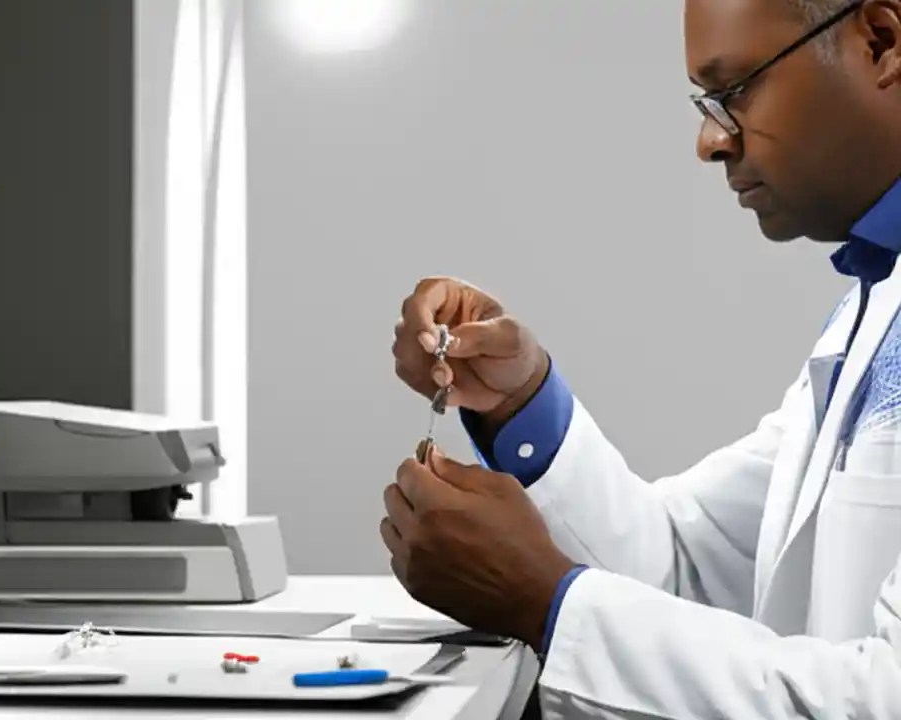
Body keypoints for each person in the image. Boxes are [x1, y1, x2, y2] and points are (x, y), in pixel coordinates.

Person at [384, 0, 901, 716]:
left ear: (882, 41)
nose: (710, 141)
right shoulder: (876, 307)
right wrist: (518, 402)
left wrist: (544, 605)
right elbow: (679, 566)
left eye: (735, 90)